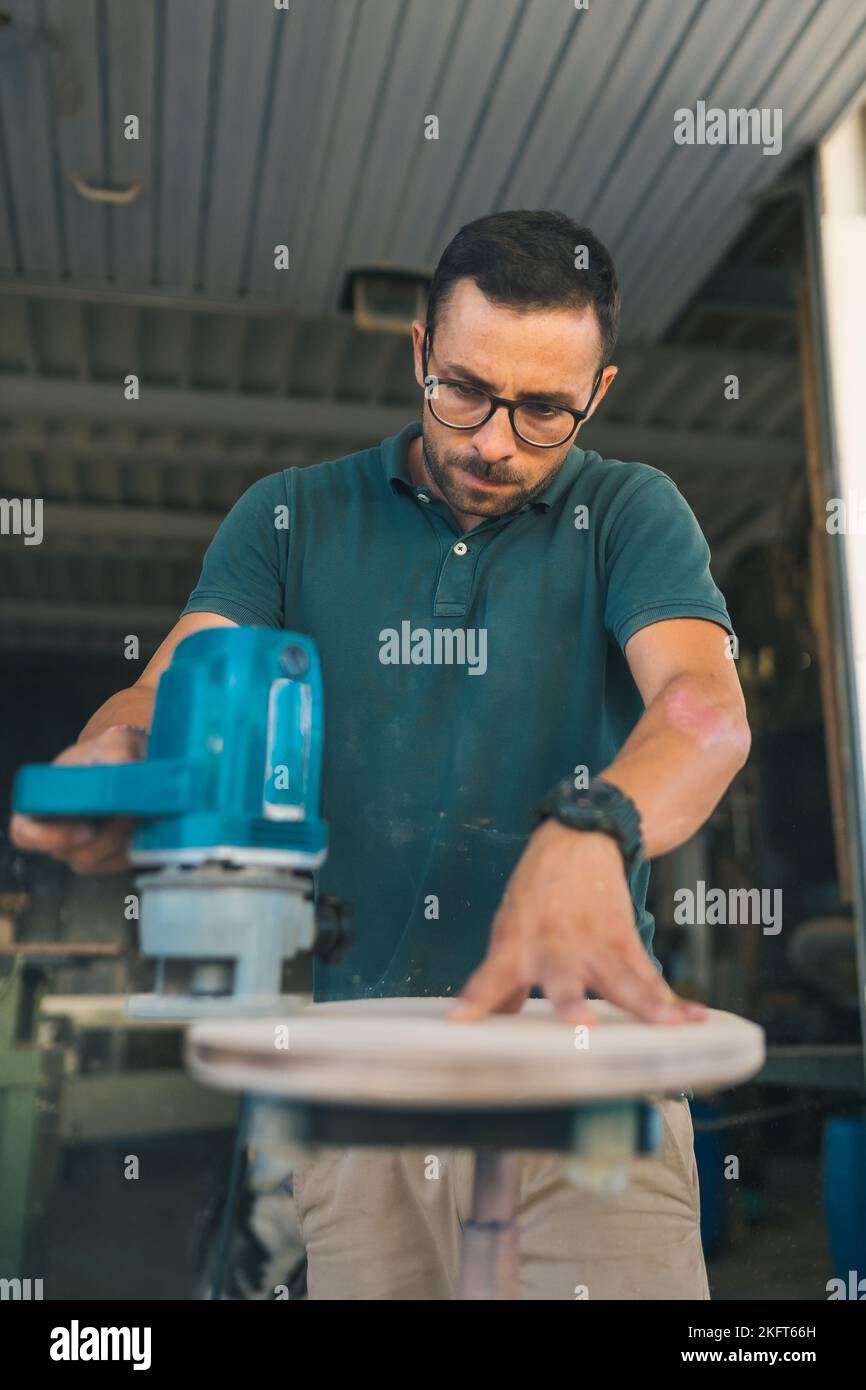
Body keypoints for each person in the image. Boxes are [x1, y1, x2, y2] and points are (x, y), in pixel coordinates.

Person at [11, 210, 749, 1299]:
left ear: (595, 395)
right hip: (354, 1086)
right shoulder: (290, 517)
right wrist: (114, 751)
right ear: (416, 352)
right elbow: (172, 683)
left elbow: (703, 708)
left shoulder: (629, 511)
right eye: (464, 388)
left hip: (585, 1074)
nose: (493, 439)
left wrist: (597, 826)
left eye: (543, 408)